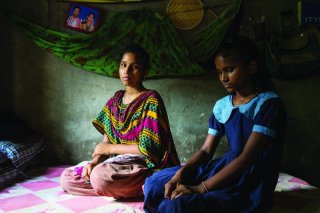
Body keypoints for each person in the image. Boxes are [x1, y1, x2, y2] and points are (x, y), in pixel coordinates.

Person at [143, 36, 287, 212]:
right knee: (156, 184)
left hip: (249, 176)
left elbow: (247, 157)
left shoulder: (268, 104)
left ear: (251, 67)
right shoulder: (223, 105)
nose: (223, 78)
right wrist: (180, 174)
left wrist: (200, 188)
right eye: (219, 72)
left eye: (229, 70)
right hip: (227, 165)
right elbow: (205, 151)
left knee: (176, 205)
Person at [60, 45, 180, 199]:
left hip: (146, 165)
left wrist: (109, 149)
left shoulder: (151, 99)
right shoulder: (115, 100)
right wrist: (94, 162)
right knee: (68, 178)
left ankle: (151, 184)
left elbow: (149, 149)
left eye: (134, 67)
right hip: (119, 165)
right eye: (123, 65)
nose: (126, 71)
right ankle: (117, 188)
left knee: (100, 177)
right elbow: (106, 140)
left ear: (145, 71)